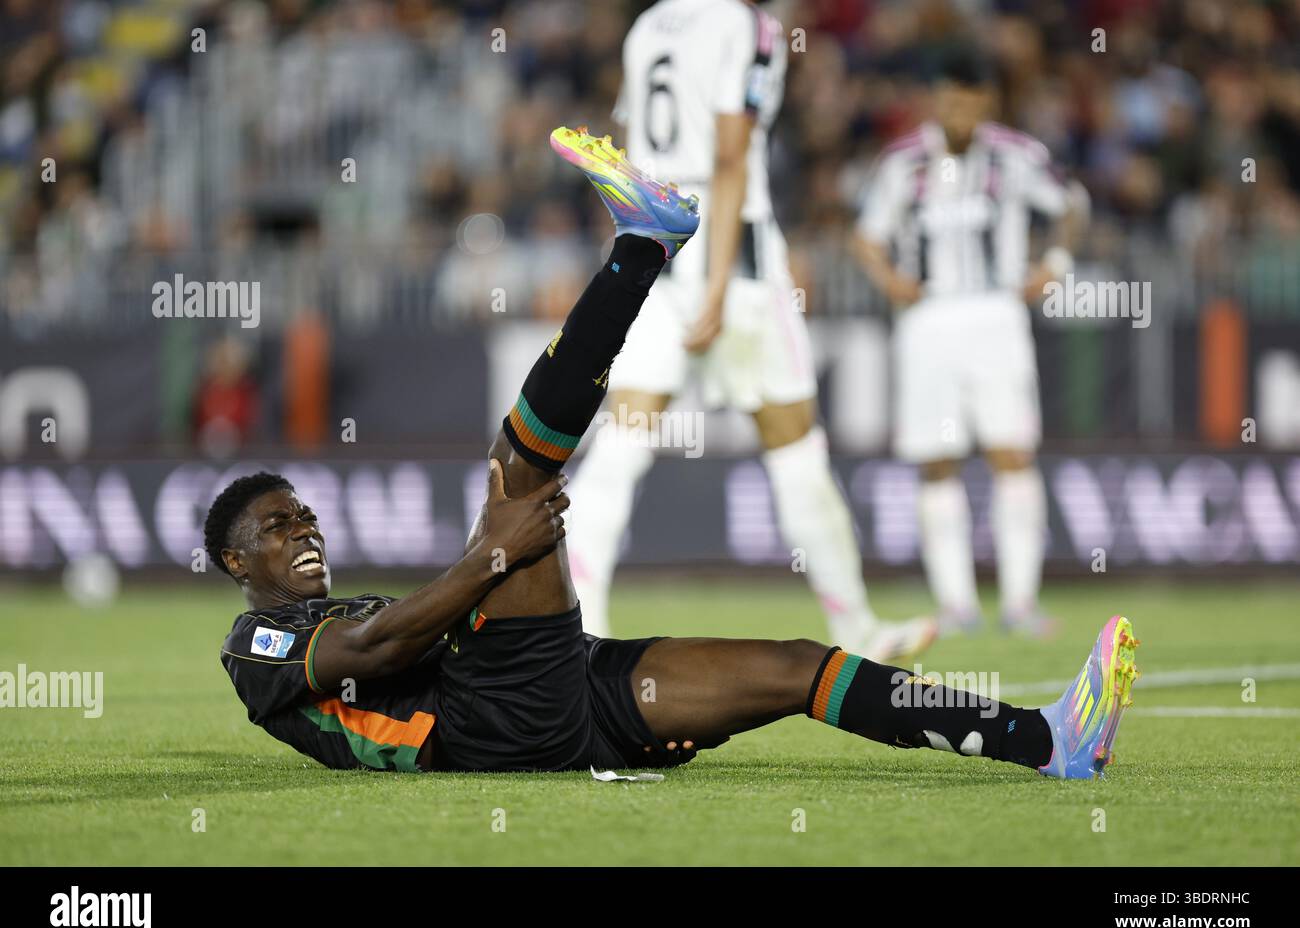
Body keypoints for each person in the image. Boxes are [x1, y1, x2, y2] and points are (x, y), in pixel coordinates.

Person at [211, 127, 1136, 779]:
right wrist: (498, 556)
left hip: (561, 697)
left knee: (797, 667)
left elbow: (407, 627)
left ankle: (1049, 741)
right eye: (276, 526)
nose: (303, 531)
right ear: (234, 561)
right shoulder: (258, 642)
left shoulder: (337, 602)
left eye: (303, 514)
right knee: (519, 471)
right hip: (482, 723)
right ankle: (643, 245)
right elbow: (377, 644)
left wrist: (498, 565)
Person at [564, 0, 935, 661]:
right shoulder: (748, 25)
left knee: (620, 445)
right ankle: (859, 631)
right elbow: (731, 154)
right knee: (796, 449)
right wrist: (716, 281)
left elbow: (637, 150)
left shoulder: (649, 24)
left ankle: (579, 632)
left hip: (650, 245)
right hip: (728, 257)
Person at [853, 47, 1089, 637]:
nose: (959, 109)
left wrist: (1054, 263)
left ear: (987, 103)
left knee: (1011, 452)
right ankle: (957, 605)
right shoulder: (902, 162)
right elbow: (866, 236)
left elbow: (1072, 205)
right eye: (950, 97)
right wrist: (890, 281)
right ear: (936, 100)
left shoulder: (1016, 155)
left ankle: (1020, 603)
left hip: (994, 315)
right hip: (927, 318)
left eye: (971, 99)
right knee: (938, 462)